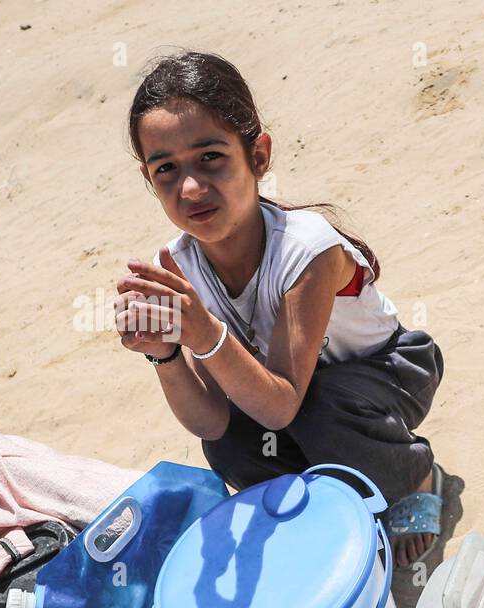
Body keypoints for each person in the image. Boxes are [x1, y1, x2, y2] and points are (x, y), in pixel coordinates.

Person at [115, 50, 445, 567]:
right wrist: (166, 356)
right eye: (166, 170)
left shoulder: (308, 250)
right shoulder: (177, 265)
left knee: (315, 409)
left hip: (386, 376)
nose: (192, 188)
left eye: (211, 157)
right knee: (227, 445)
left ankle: (411, 473)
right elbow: (209, 420)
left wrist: (202, 333)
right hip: (297, 398)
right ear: (149, 180)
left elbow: (282, 405)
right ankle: (340, 495)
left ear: (259, 155)